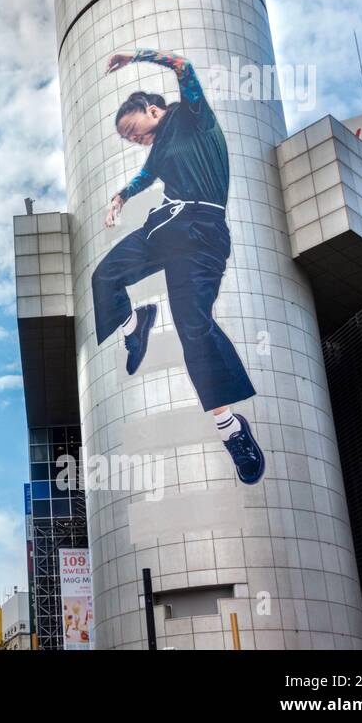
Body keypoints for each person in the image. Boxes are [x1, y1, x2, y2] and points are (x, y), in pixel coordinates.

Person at [93, 48, 265, 485]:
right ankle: (136, 325)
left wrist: (135, 57)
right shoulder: (159, 150)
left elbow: (182, 67)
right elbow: (146, 176)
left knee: (194, 326)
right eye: (129, 141)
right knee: (104, 276)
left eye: (135, 131)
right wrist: (120, 197)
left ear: (154, 109)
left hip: (202, 233)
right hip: (164, 227)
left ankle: (231, 429)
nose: (136, 141)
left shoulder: (193, 116)